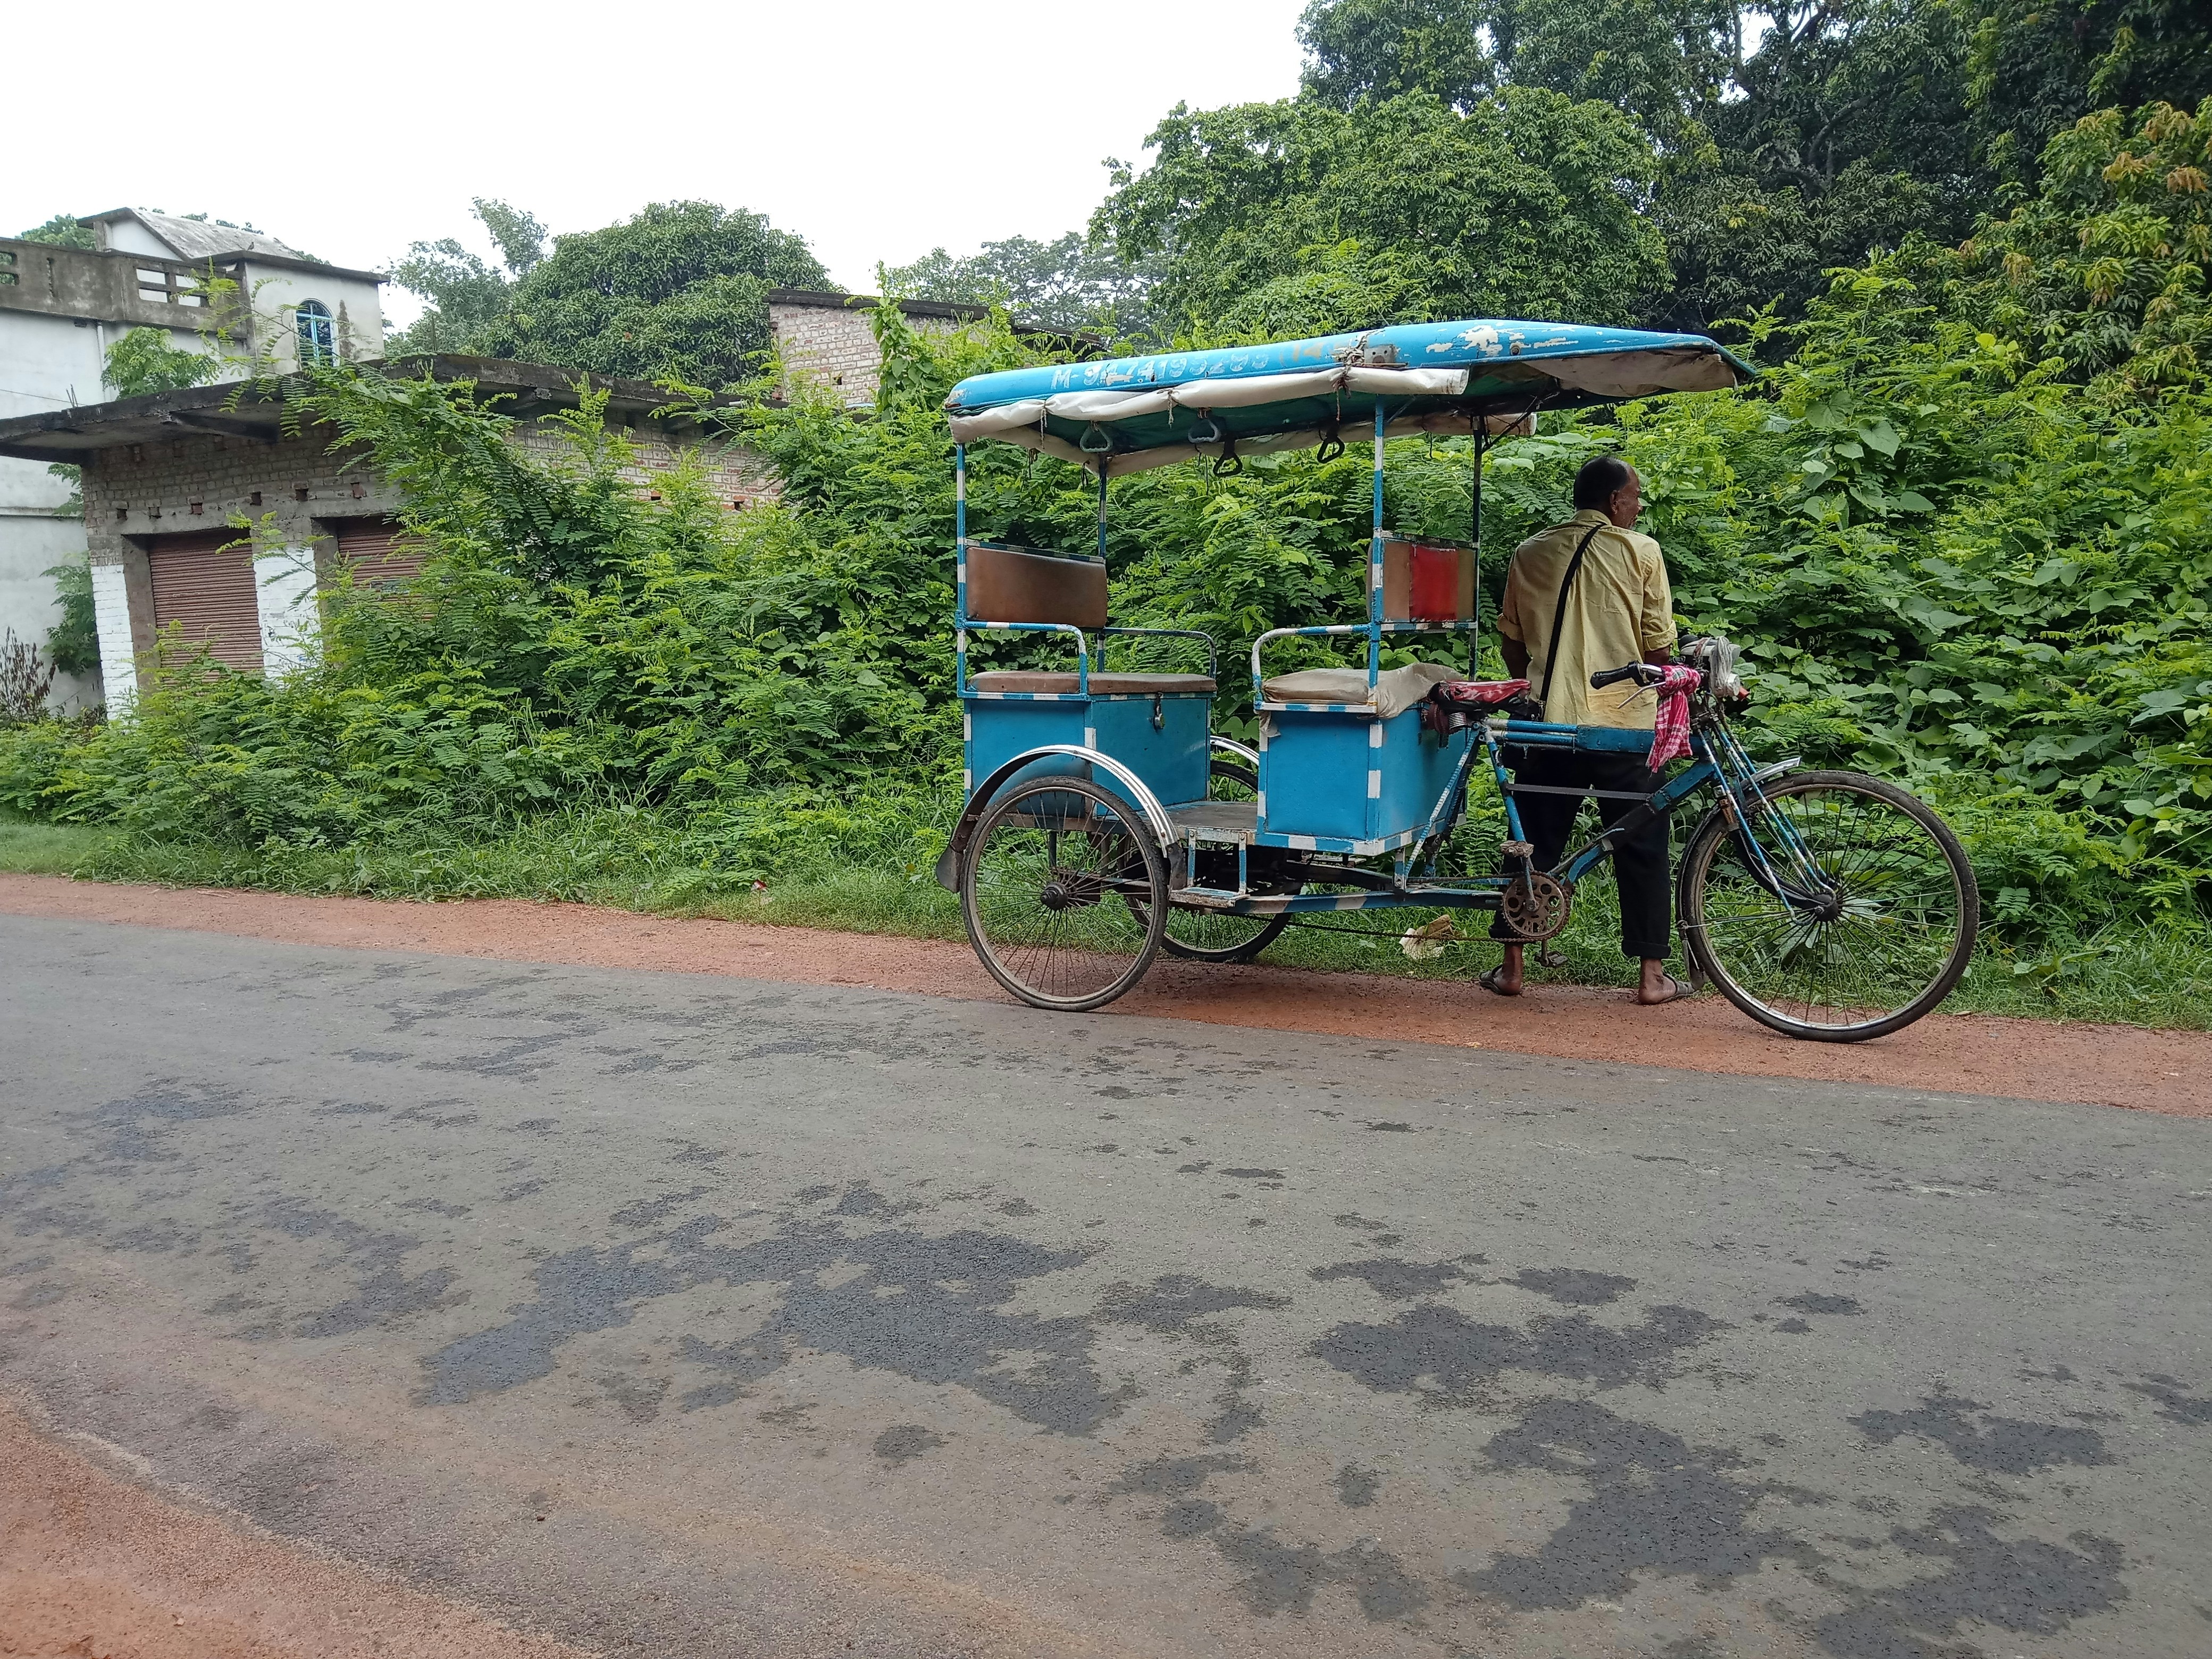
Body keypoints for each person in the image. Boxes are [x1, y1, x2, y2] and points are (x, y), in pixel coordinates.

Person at [1484, 455, 1693, 1005]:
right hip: (1621, 724)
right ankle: (1650, 977)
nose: (1639, 505)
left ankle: (1511, 967)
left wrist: (1529, 683)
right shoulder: (1641, 552)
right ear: (1614, 501)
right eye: (1635, 495)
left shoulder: (1528, 552)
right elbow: (1657, 648)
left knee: (1529, 844)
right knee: (1641, 844)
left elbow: (1510, 638)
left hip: (1548, 725)